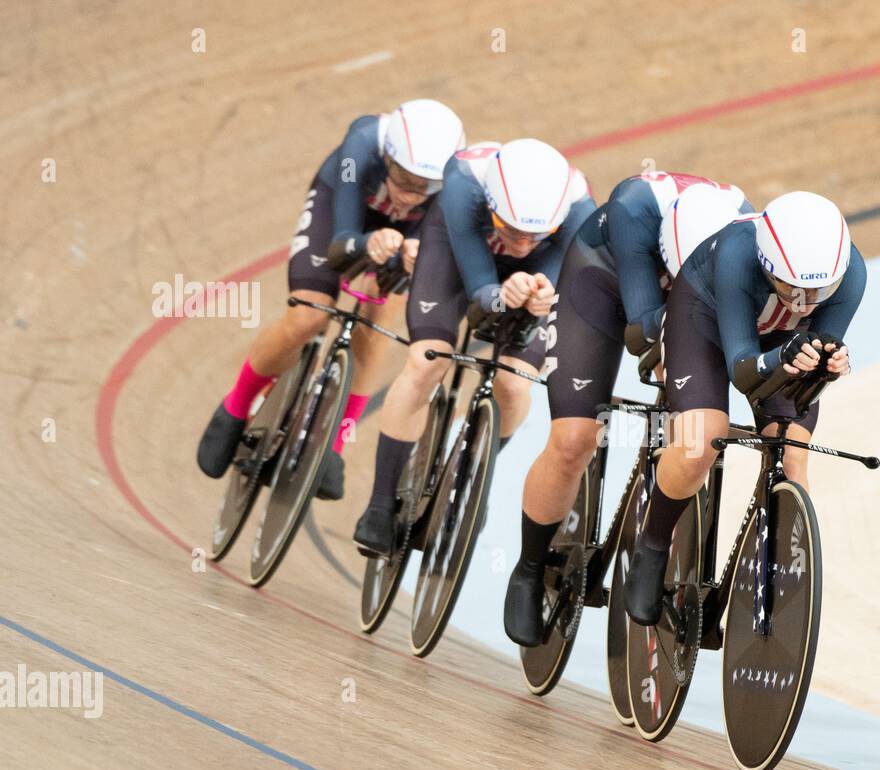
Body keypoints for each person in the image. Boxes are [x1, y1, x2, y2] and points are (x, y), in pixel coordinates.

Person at [502, 171, 750, 647]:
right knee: (575, 438)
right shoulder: (634, 210)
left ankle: (655, 537)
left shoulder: (746, 235)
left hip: (694, 299)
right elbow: (647, 328)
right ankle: (529, 567)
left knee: (698, 426)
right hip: (604, 281)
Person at [196, 99, 465, 501]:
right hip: (344, 220)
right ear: (387, 159)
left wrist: (413, 253)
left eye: (427, 187)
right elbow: (341, 245)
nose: (413, 195)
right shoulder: (360, 146)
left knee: (377, 322)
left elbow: (440, 246)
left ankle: (337, 442)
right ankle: (234, 408)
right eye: (405, 181)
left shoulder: (455, 185)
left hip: (402, 238)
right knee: (308, 317)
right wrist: (368, 242)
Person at [622, 190, 868, 626]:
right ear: (768, 266)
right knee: (701, 441)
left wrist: (828, 365)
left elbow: (812, 369)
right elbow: (741, 370)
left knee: (793, 454)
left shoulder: (852, 274)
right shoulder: (738, 254)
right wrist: (786, 355)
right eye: (794, 287)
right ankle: (653, 545)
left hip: (780, 343)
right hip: (704, 321)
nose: (807, 301)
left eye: (820, 290)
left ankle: (784, 577)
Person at [352, 138, 596, 558]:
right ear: (492, 207)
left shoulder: (579, 209)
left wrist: (544, 296)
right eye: (512, 230)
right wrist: (500, 295)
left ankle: (474, 473)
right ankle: (378, 503)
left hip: (534, 272)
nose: (522, 243)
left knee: (516, 384)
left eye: (535, 233)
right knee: (426, 361)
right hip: (454, 255)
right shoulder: (464, 185)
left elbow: (568, 281)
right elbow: (480, 289)